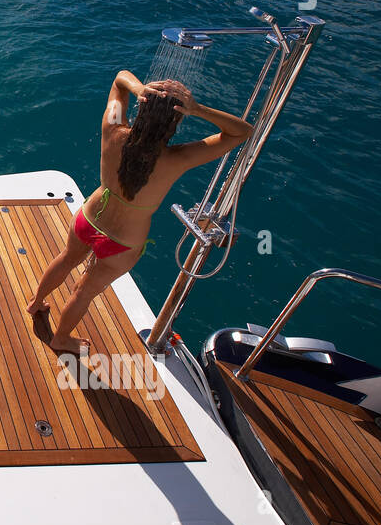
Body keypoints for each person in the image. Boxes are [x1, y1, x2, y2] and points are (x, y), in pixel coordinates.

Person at [27, 71, 252, 354]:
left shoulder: (113, 130)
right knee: (83, 292)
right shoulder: (177, 158)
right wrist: (198, 109)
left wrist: (138, 88)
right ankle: (60, 338)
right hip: (122, 243)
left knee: (65, 259)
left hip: (90, 218)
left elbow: (120, 79)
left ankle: (36, 303)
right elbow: (242, 132)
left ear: (141, 107)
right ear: (175, 122)